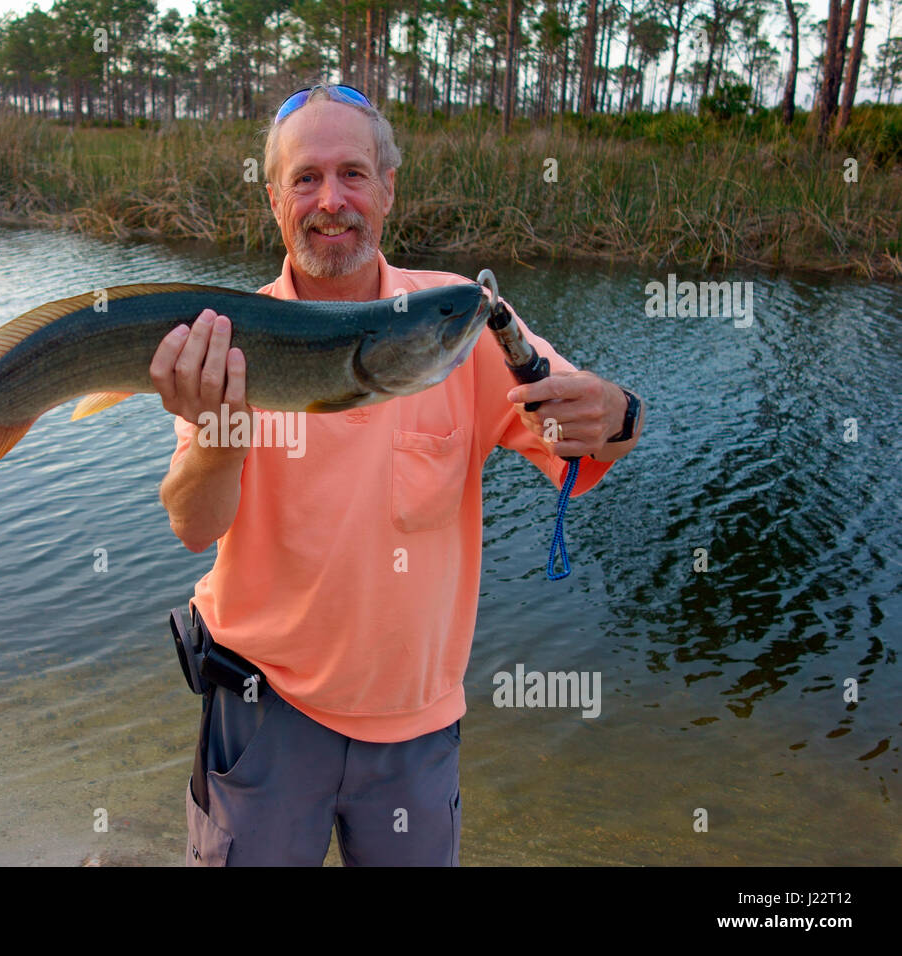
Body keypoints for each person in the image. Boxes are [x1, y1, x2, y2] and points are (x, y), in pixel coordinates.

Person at [151, 84, 645, 866]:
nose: (331, 201)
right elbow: (192, 525)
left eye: (353, 174)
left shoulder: (458, 318)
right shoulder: (227, 337)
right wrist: (219, 434)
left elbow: (584, 443)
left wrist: (621, 414)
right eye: (306, 179)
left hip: (416, 726)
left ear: (388, 188)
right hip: (261, 706)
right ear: (275, 196)